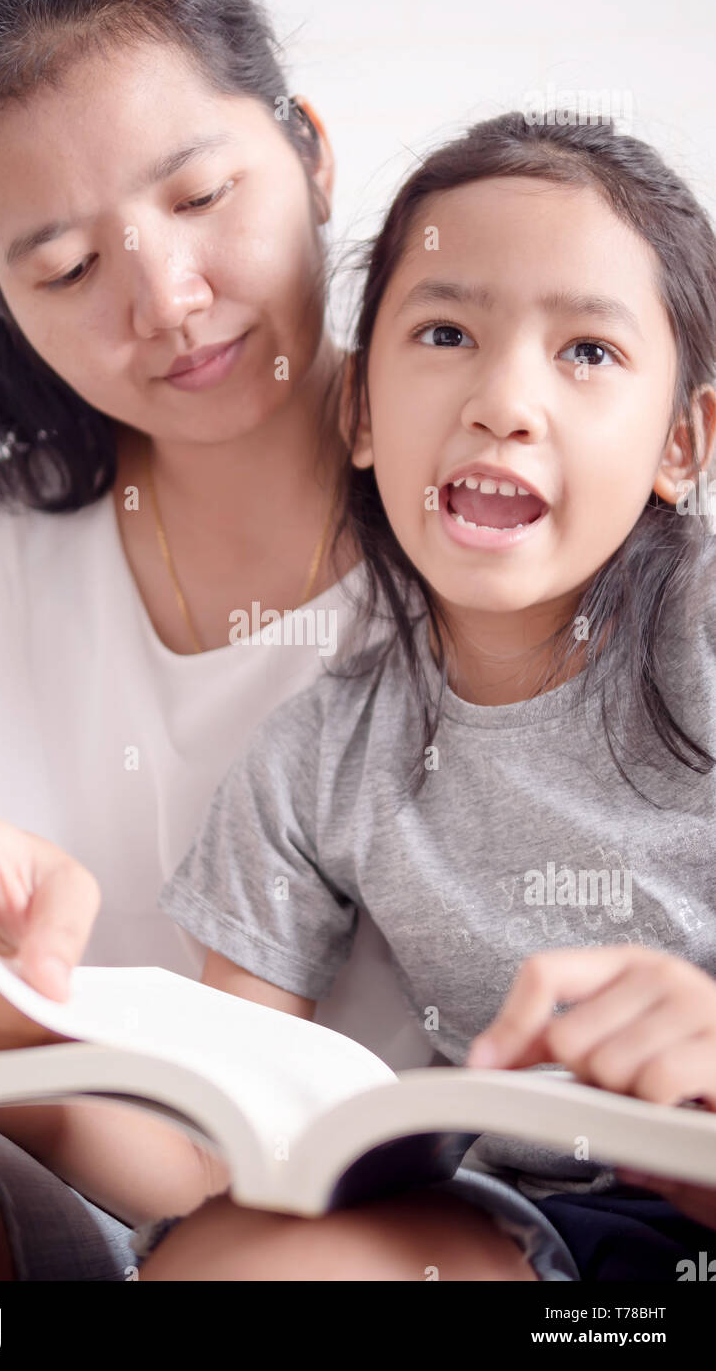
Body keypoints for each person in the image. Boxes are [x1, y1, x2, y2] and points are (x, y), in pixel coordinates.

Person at [0, 0, 436, 1281]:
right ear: (2, 295)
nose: (165, 299)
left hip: (385, 1220)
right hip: (39, 1170)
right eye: (65, 266)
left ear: (311, 149)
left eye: (198, 198)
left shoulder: (496, 519)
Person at [127, 110, 716, 1281]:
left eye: (586, 353)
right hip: (526, 1238)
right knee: (233, 1256)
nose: (501, 399)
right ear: (356, 413)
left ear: (682, 445)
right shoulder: (317, 753)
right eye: (444, 330)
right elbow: (223, 1127)